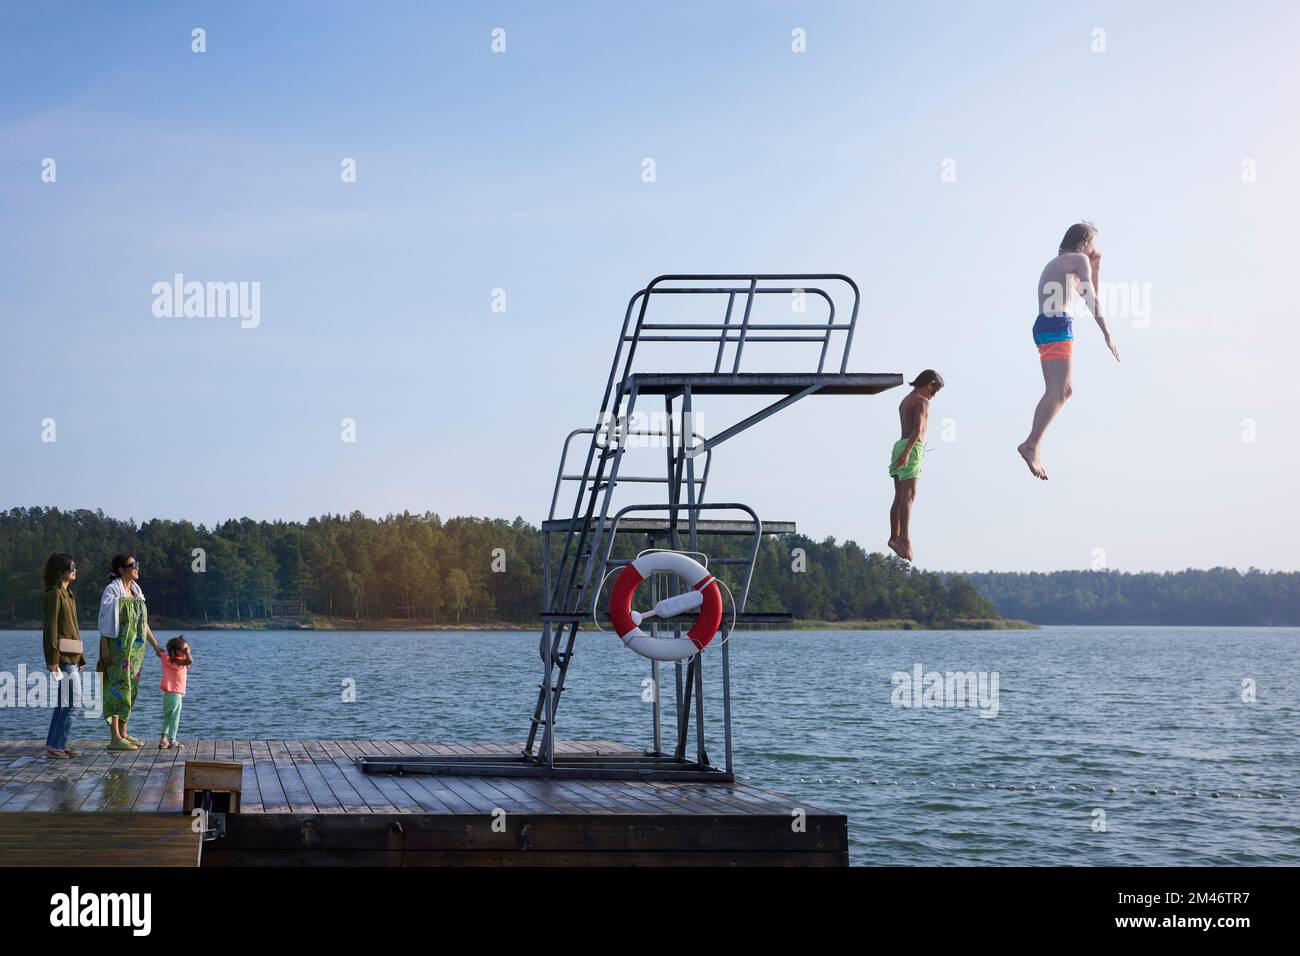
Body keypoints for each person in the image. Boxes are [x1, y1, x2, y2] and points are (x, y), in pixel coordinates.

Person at [1017, 222, 1120, 480]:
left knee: (1057, 391)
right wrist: (1107, 334)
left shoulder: (1061, 262)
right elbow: (1092, 299)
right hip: (1058, 324)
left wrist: (1095, 267)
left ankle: (1033, 445)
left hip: (1043, 325)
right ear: (1084, 242)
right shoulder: (1076, 259)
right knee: (1062, 391)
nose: (1095, 249)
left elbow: (1087, 289)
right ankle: (1030, 445)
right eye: (1093, 243)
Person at [98, 554, 162, 750]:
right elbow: (104, 621)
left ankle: (124, 732)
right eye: (133, 565)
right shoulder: (112, 591)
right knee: (117, 689)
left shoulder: (136, 591)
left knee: (131, 689)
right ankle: (115, 738)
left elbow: (143, 623)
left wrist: (156, 646)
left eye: (137, 564)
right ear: (121, 569)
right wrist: (104, 646)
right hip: (118, 648)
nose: (137, 568)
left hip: (135, 651)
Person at [888, 369, 944, 562]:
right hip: (911, 448)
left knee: (899, 496)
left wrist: (902, 451)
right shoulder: (923, 401)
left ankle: (894, 537)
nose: (934, 395)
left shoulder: (904, 401)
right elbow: (917, 428)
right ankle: (904, 539)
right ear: (930, 384)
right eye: (935, 391)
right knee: (909, 496)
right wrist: (907, 453)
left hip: (898, 445)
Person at [42, 553, 86, 759]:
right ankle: (57, 744)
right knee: (74, 703)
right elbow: (50, 628)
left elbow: (73, 629)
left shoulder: (70, 595)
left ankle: (55, 743)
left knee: (63, 704)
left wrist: (81, 657)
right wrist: (53, 658)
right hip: (62, 658)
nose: (75, 569)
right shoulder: (54, 594)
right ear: (61, 571)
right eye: (72, 566)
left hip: (72, 656)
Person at [155, 636, 193, 750]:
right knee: (175, 718)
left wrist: (158, 647)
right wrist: (188, 652)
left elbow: (159, 652)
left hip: (167, 694)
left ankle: (163, 739)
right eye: (183, 649)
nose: (185, 651)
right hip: (176, 695)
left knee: (167, 717)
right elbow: (190, 660)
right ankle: (172, 740)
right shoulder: (181, 661)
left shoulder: (166, 658)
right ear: (175, 651)